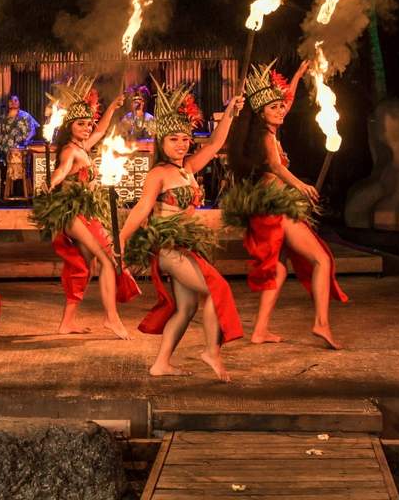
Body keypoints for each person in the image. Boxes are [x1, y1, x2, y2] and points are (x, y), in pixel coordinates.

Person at [119, 82, 245, 381]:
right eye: (174, 139)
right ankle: (211, 351)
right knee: (217, 290)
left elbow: (214, 144)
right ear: (161, 141)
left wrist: (230, 111)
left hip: (186, 247)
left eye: (186, 139)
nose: (181, 144)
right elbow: (142, 208)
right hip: (169, 248)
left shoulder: (187, 168)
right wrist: (122, 239)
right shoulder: (158, 173)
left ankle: (161, 364)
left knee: (186, 307)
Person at [221, 60, 348, 350]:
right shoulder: (265, 137)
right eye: (274, 107)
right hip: (276, 208)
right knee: (322, 259)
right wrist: (301, 185)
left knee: (278, 269)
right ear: (261, 113)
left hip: (268, 209)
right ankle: (321, 323)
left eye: (281, 106)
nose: (281, 110)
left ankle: (260, 330)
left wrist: (299, 75)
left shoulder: (267, 131)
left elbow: (286, 103)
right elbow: (277, 167)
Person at [29, 76, 140, 338]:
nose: (88, 128)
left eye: (88, 123)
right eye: (81, 124)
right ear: (70, 126)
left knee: (84, 266)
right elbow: (62, 169)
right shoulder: (70, 151)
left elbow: (100, 131)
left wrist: (112, 106)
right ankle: (112, 318)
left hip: (84, 212)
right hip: (72, 212)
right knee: (107, 260)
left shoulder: (83, 147)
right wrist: (52, 181)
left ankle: (67, 323)